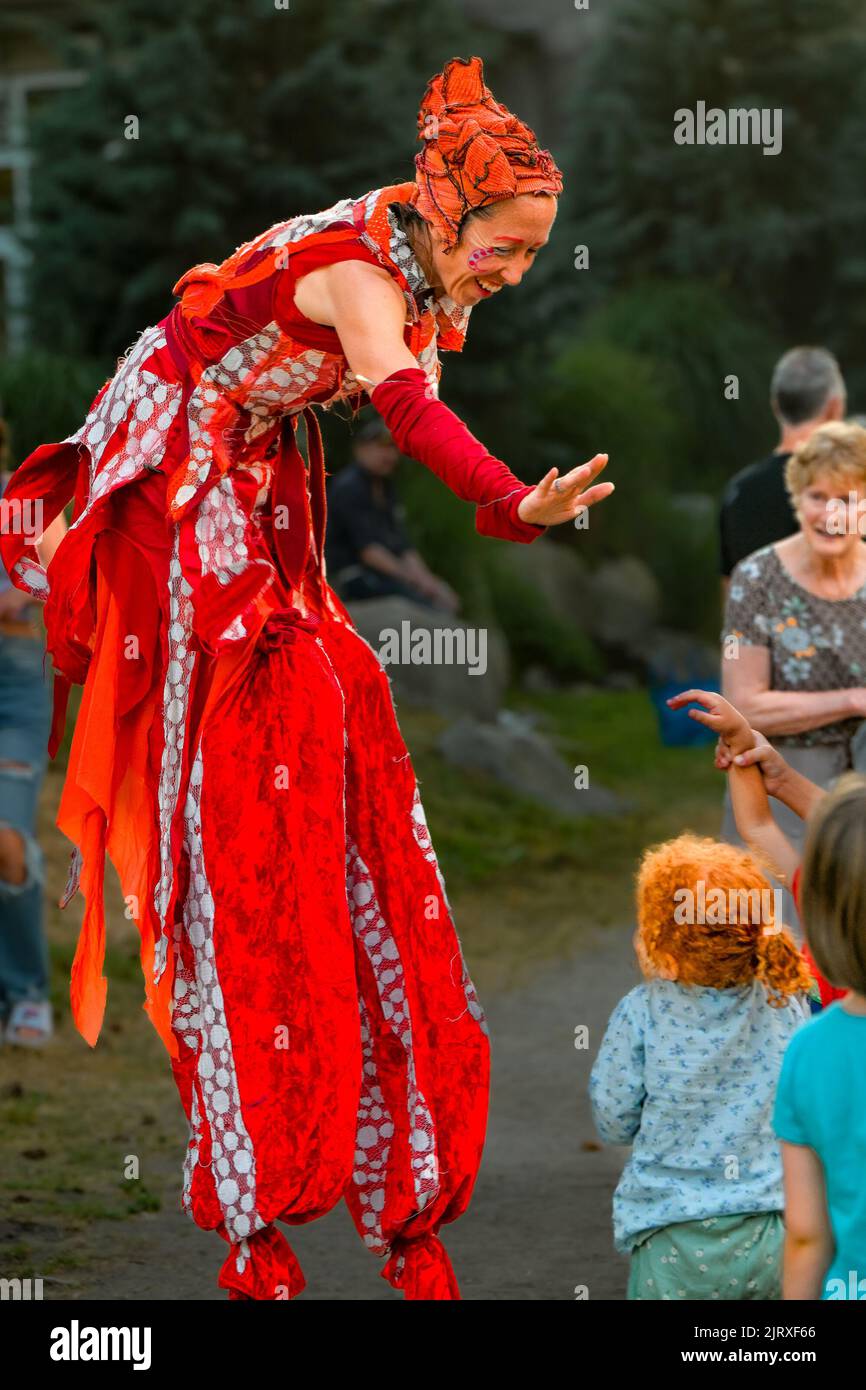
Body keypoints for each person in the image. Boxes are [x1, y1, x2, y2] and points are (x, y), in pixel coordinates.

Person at [0, 55, 614, 1300]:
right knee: (244, 742)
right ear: (450, 214)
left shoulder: (423, 266)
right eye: (502, 246)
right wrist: (510, 495)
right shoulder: (358, 270)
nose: (511, 272)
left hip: (260, 458)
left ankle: (390, 1170)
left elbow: (422, 396)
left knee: (338, 695)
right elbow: (408, 409)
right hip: (177, 453)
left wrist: (506, 501)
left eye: (531, 253)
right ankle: (251, 1182)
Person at [590, 832, 811, 1300]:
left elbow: (612, 1118)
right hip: (774, 1229)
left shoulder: (640, 1012)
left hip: (670, 1236)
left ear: (666, 959)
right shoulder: (784, 1001)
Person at [720, 421, 866, 932]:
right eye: (817, 496)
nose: (831, 514)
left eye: (847, 498)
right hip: (774, 777)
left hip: (860, 797)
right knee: (777, 956)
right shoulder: (756, 578)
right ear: (796, 499)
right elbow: (743, 705)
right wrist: (852, 699)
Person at [668, 686, 846, 1011]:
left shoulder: (825, 897)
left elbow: (758, 827)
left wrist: (740, 742)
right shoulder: (830, 898)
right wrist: (745, 745)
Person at [0, 418, 67, 1047]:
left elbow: (69, 577)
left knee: (7, 842)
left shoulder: (23, 505)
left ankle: (27, 993)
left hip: (17, 694)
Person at [719, 346, 846, 593]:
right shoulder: (851, 488)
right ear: (834, 408)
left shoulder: (738, 492)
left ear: (776, 406)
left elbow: (731, 596)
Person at [325, 412, 459, 612]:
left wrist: (428, 580)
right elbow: (369, 551)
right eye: (381, 447)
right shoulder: (349, 487)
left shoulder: (384, 487)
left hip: (380, 572)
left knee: (440, 598)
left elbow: (401, 544)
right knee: (423, 605)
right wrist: (415, 580)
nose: (389, 455)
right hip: (350, 575)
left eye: (392, 448)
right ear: (360, 449)